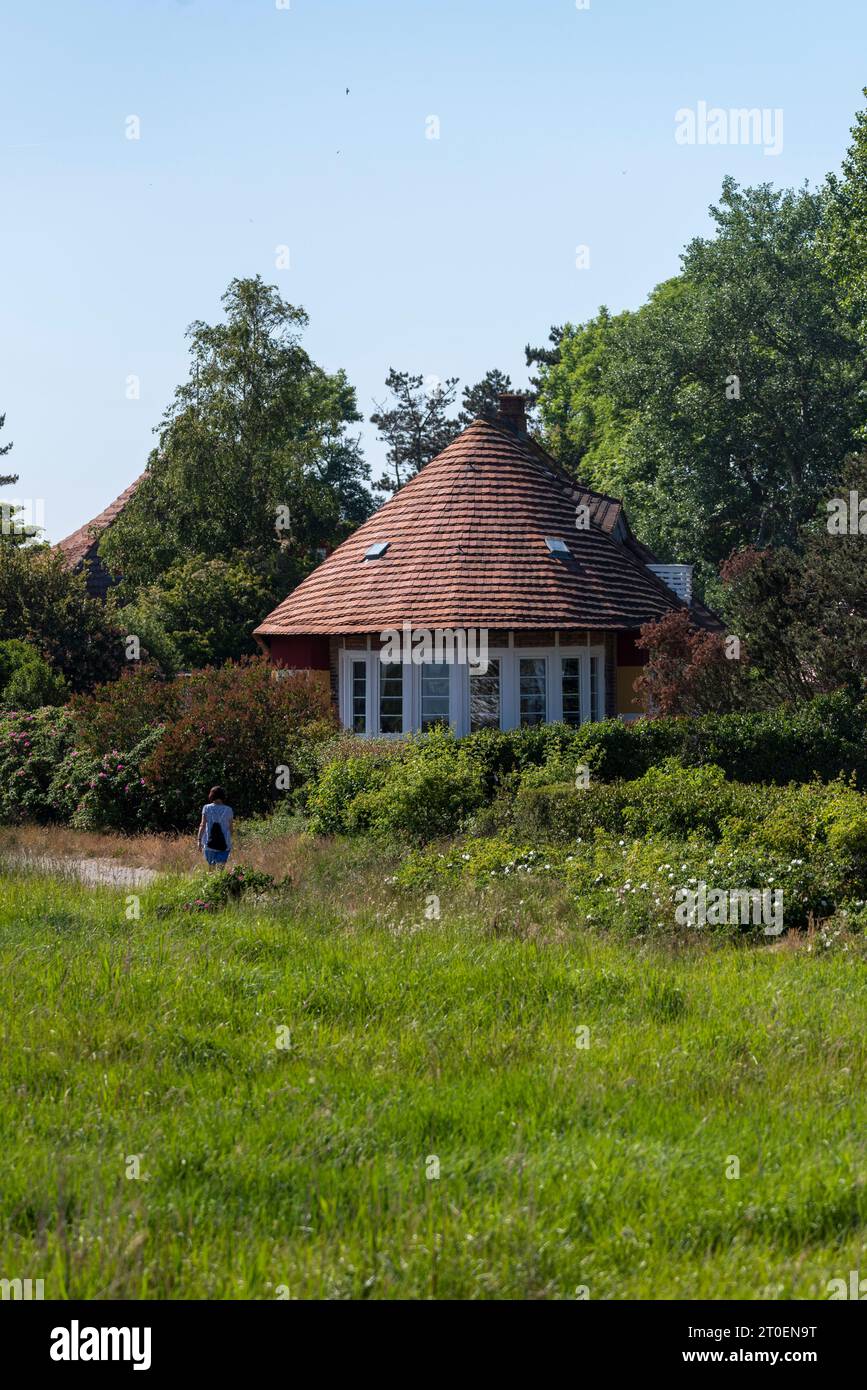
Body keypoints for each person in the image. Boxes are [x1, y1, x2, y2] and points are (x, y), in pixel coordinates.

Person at [197, 786, 234, 866]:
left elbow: (202, 825)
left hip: (209, 843)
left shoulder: (206, 808)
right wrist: (230, 841)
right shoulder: (229, 810)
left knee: (211, 869)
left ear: (211, 795)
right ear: (223, 796)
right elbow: (230, 828)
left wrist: (199, 840)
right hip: (224, 844)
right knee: (220, 870)